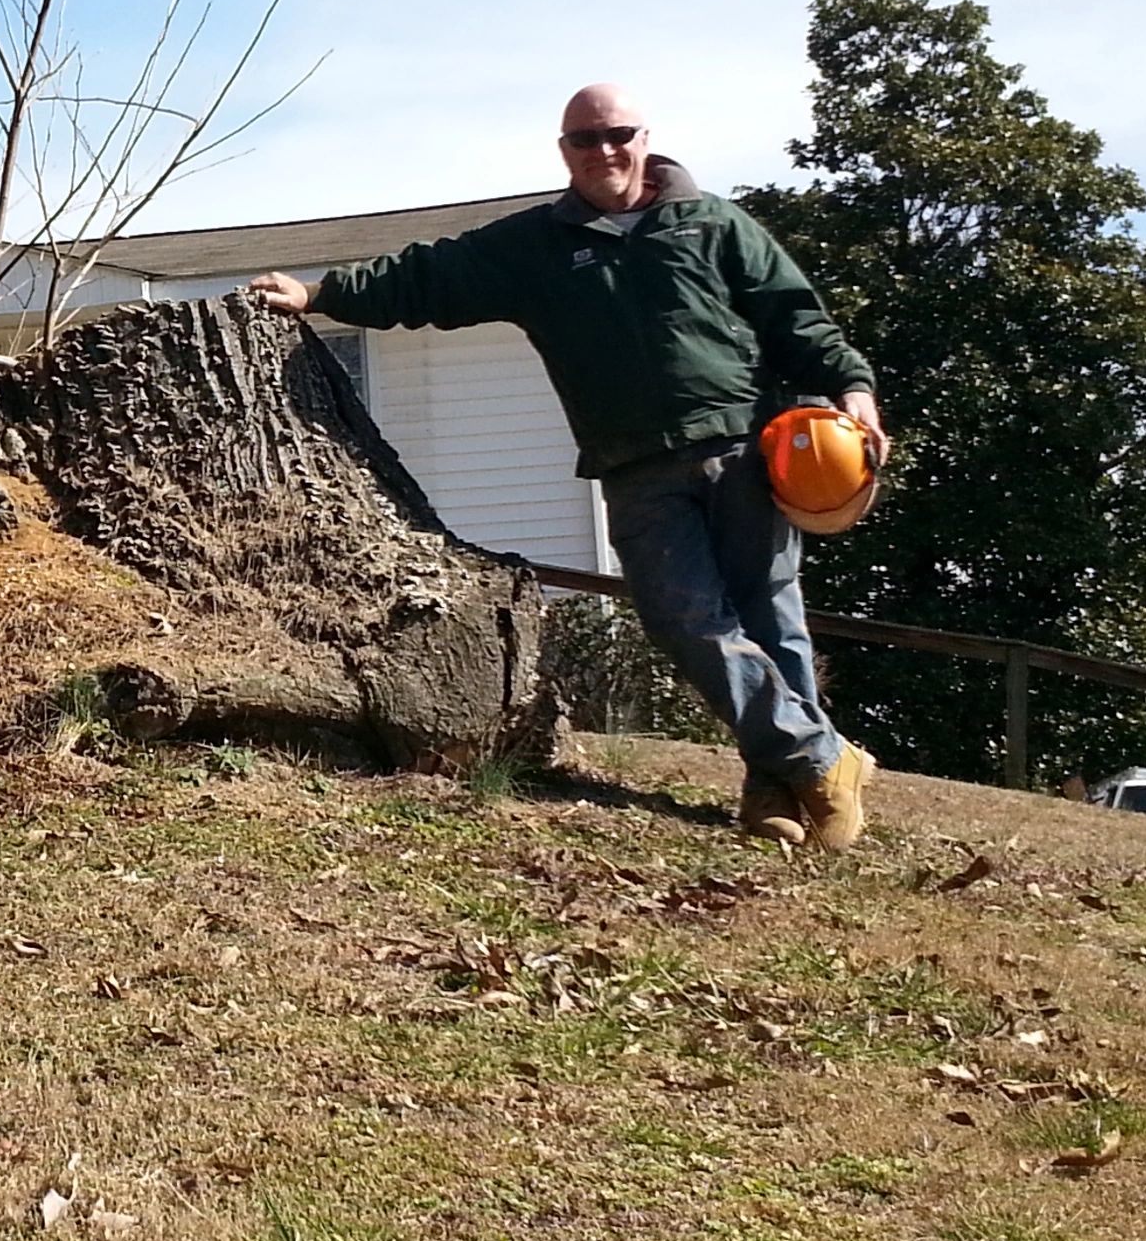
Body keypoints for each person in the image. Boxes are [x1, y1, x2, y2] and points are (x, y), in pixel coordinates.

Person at [248, 83, 885, 849]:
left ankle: (777, 789)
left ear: (644, 138)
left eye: (617, 133)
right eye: (585, 139)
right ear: (564, 152)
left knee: (768, 618)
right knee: (684, 616)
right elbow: (430, 277)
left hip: (743, 449)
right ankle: (822, 755)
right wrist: (318, 294)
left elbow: (796, 318)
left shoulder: (714, 224)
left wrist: (853, 391)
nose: (604, 150)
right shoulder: (539, 246)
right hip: (634, 466)